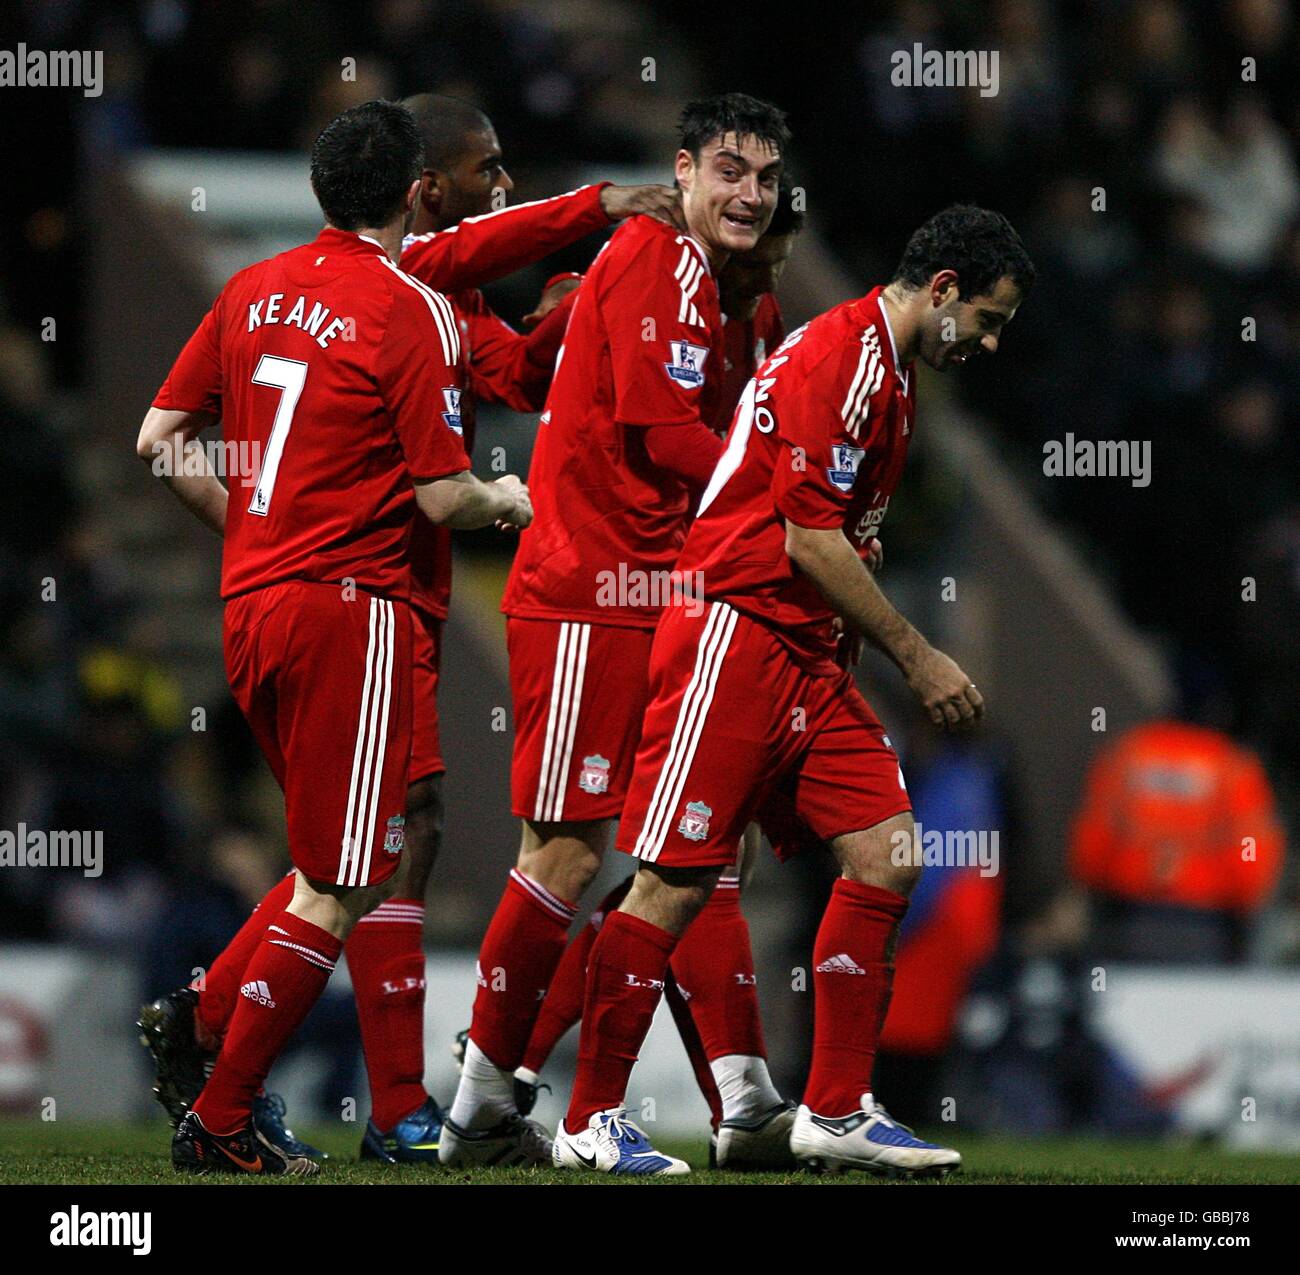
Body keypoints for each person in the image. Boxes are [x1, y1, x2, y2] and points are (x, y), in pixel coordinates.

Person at [137, 95, 679, 1167]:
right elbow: (442, 496)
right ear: (427, 190)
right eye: (488, 168)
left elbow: (161, 437)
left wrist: (257, 529)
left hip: (262, 601)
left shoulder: (252, 285)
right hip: (357, 606)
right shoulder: (411, 301)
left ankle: (342, 1088)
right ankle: (225, 1097)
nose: (502, 185)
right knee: (349, 870)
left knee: (384, 835)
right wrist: (512, 499)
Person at [550, 204, 1034, 1176]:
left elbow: (831, 527)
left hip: (805, 655)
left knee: (890, 855)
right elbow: (801, 538)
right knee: (673, 882)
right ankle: (585, 1119)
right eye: (984, 319)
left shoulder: (889, 378)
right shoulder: (846, 359)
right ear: (941, 290)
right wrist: (918, 656)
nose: (984, 342)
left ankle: (837, 1108)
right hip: (735, 634)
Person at [440, 92, 793, 1168]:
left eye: (767, 181)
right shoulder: (649, 254)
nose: (751, 197)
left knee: (694, 846)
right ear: (682, 172)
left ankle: (740, 1092)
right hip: (590, 591)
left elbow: (670, 429)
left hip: (663, 592)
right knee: (566, 851)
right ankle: (484, 1098)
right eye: (730, 171)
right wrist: (780, 498)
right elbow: (656, 426)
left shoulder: (733, 300)